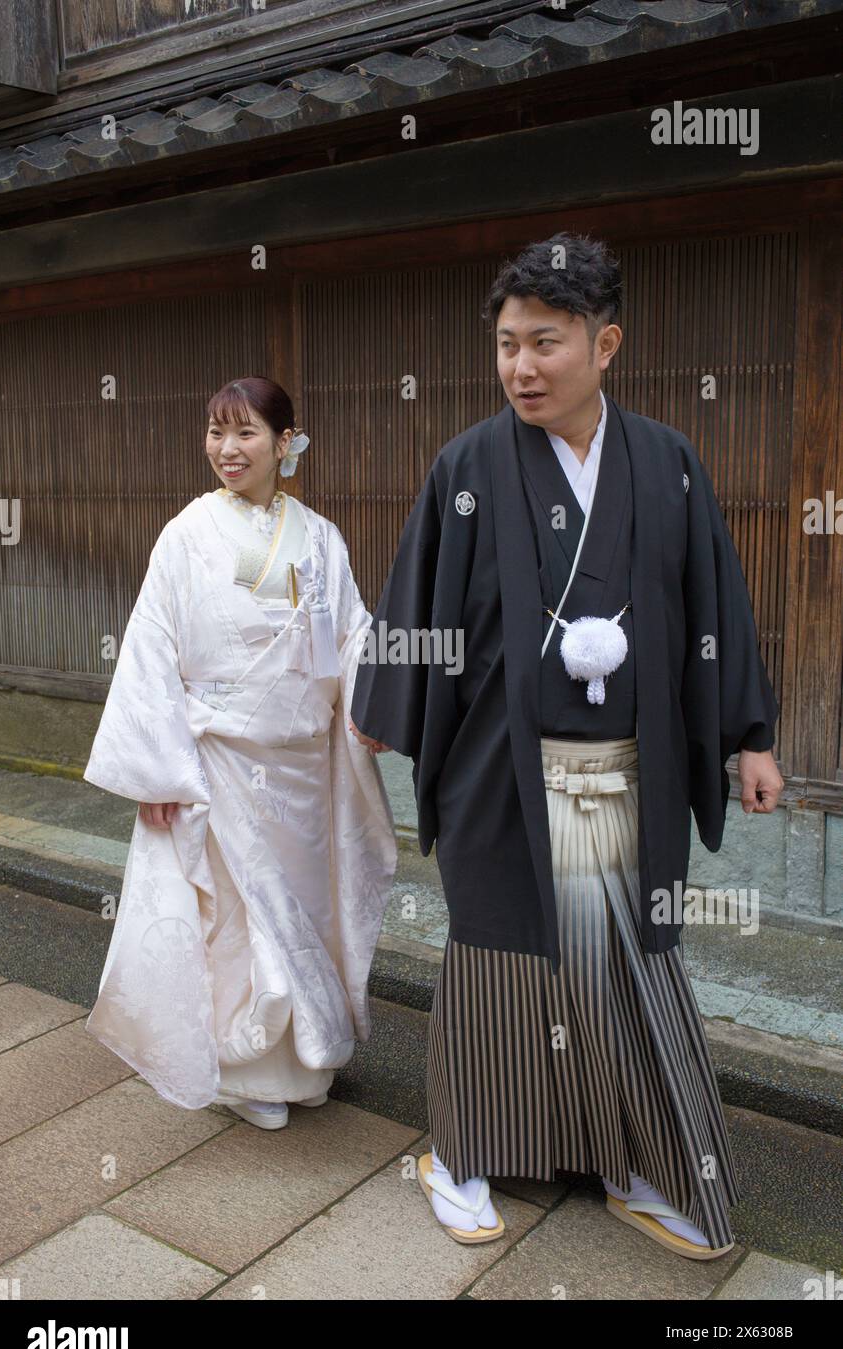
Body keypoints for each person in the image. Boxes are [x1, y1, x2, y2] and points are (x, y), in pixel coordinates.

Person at [350, 233, 783, 1257]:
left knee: (619, 969)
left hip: (624, 773)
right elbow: (420, 596)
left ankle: (630, 1159)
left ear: (605, 344)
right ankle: (456, 1160)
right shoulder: (466, 464)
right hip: (502, 770)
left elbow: (710, 601)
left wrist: (748, 735)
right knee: (494, 967)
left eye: (544, 343)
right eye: (506, 345)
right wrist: (383, 703)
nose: (520, 368)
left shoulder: (665, 462)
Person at [84, 376, 396, 1131]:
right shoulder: (186, 533)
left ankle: (303, 1057)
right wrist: (157, 768)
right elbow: (152, 649)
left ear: (286, 442)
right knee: (236, 918)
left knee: (301, 910)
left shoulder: (320, 537)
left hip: (301, 762)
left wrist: (373, 704)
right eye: (216, 432)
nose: (228, 449)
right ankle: (238, 1063)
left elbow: (349, 635)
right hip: (219, 757)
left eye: (247, 432)